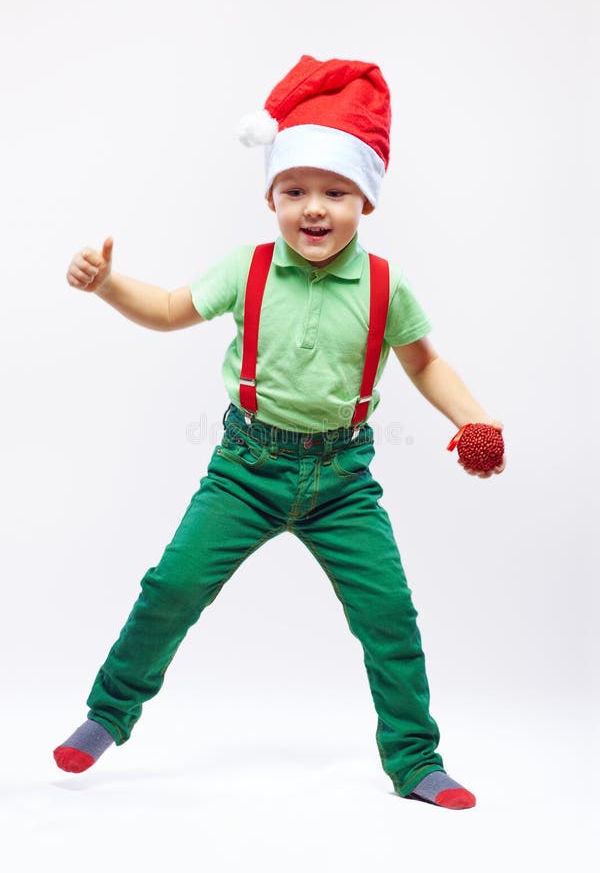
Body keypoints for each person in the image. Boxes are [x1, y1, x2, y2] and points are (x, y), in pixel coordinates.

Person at [53, 55, 505, 810]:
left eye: (335, 191)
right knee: (172, 586)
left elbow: (426, 363)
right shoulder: (248, 268)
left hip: (343, 482)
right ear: (271, 196)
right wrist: (106, 286)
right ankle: (108, 714)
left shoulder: (387, 285)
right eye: (293, 191)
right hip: (245, 469)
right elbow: (167, 308)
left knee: (389, 615)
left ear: (367, 198)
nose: (314, 209)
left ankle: (416, 759)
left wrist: (473, 417)